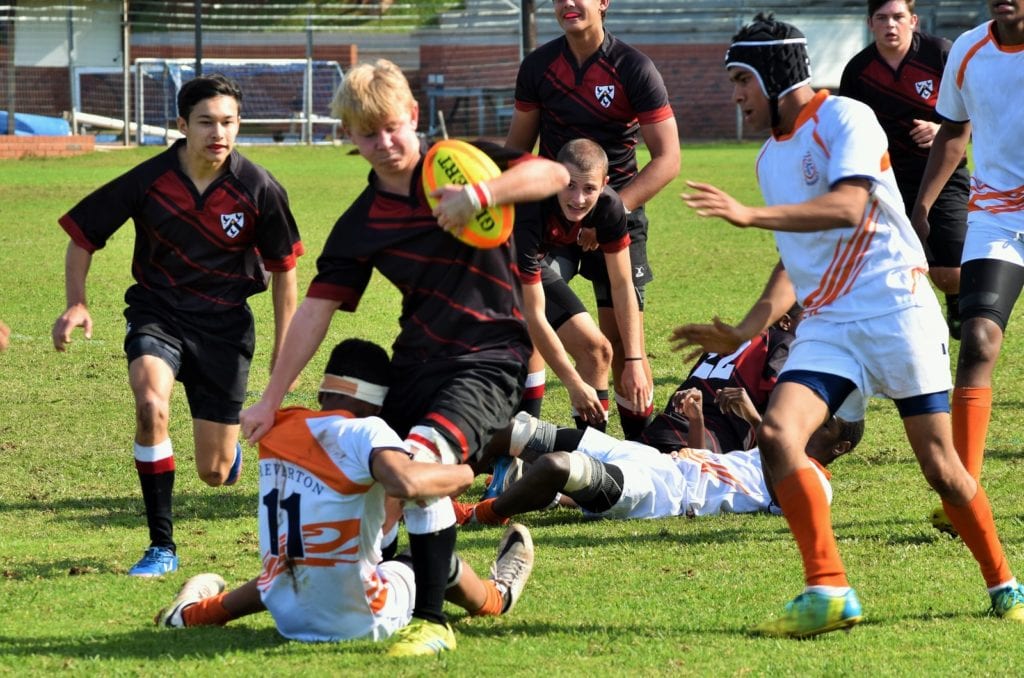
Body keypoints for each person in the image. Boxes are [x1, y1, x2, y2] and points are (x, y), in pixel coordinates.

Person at [674, 12, 1024, 638]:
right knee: (779, 434)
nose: (735, 96)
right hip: (830, 324)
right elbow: (793, 259)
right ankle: (828, 588)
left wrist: (750, 217)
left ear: (772, 75)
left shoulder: (845, 117)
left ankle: (1003, 581)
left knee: (943, 469)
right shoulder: (767, 159)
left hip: (897, 308)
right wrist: (748, 330)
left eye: (740, 81)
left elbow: (851, 202)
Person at [238, 59, 571, 657]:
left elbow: (552, 173)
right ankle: (487, 592)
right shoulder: (361, 223)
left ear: (414, 116)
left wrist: (482, 194)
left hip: (488, 356)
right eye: (368, 133)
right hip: (415, 362)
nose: (384, 142)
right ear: (350, 136)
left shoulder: (458, 162)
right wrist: (268, 399)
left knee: (420, 468)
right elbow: (315, 310)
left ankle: (431, 621)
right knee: (390, 501)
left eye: (393, 126)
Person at [52, 74, 303, 578]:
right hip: (157, 313)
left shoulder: (258, 188)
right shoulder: (149, 179)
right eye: (206, 122)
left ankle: (225, 455)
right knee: (151, 407)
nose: (219, 132)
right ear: (181, 125)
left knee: (214, 474)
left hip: (225, 328)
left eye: (228, 122)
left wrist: (285, 353)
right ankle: (161, 546)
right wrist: (76, 303)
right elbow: (83, 236)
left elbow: (285, 271)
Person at [153, 338, 535, 644]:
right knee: (420, 557)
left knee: (296, 561)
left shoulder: (280, 427)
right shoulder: (368, 430)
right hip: (362, 620)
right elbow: (404, 483)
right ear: (379, 402)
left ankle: (193, 614)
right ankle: (495, 597)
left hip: (287, 614)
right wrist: (462, 474)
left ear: (324, 394)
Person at [505, 0, 681, 437]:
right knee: (533, 320)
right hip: (551, 220)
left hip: (616, 215)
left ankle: (635, 452)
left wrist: (608, 211)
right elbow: (518, 154)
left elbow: (668, 159)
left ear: (603, 2)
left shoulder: (634, 68)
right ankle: (518, 441)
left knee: (620, 342)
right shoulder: (539, 66)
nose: (568, 3)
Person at [910, 1, 1024, 536]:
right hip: (998, 219)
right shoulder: (968, 49)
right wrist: (923, 205)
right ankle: (964, 493)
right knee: (977, 338)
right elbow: (953, 132)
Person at [458, 388, 862, 526]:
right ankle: (437, 479)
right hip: (656, 459)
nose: (811, 421)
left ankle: (481, 514)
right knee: (517, 430)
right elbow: (712, 467)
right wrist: (697, 421)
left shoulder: (818, 485)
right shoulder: (770, 449)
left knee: (556, 466)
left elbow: (783, 496)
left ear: (840, 447)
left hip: (661, 493)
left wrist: (761, 422)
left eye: (824, 425)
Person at [840, 0, 968, 338]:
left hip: (944, 172)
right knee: (893, 266)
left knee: (950, 272)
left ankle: (956, 300)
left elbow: (979, 109)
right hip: (887, 180)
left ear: (913, 20)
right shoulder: (858, 71)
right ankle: (906, 326)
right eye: (881, 18)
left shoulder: (941, 54)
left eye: (898, 17)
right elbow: (846, 128)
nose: (890, 25)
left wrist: (942, 130)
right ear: (870, 23)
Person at [514, 138, 647, 431]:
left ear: (604, 184)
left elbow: (623, 285)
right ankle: (508, 461)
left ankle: (591, 462)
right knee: (518, 348)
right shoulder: (530, 207)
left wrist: (635, 359)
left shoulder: (610, 206)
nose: (578, 199)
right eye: (569, 185)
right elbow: (535, 314)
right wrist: (573, 384)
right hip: (483, 270)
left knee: (597, 351)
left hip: (531, 264)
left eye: (589, 189)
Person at [639, 305, 799, 454]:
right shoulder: (784, 341)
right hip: (711, 439)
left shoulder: (731, 338)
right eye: (811, 319)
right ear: (785, 322)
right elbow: (781, 423)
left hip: (664, 427)